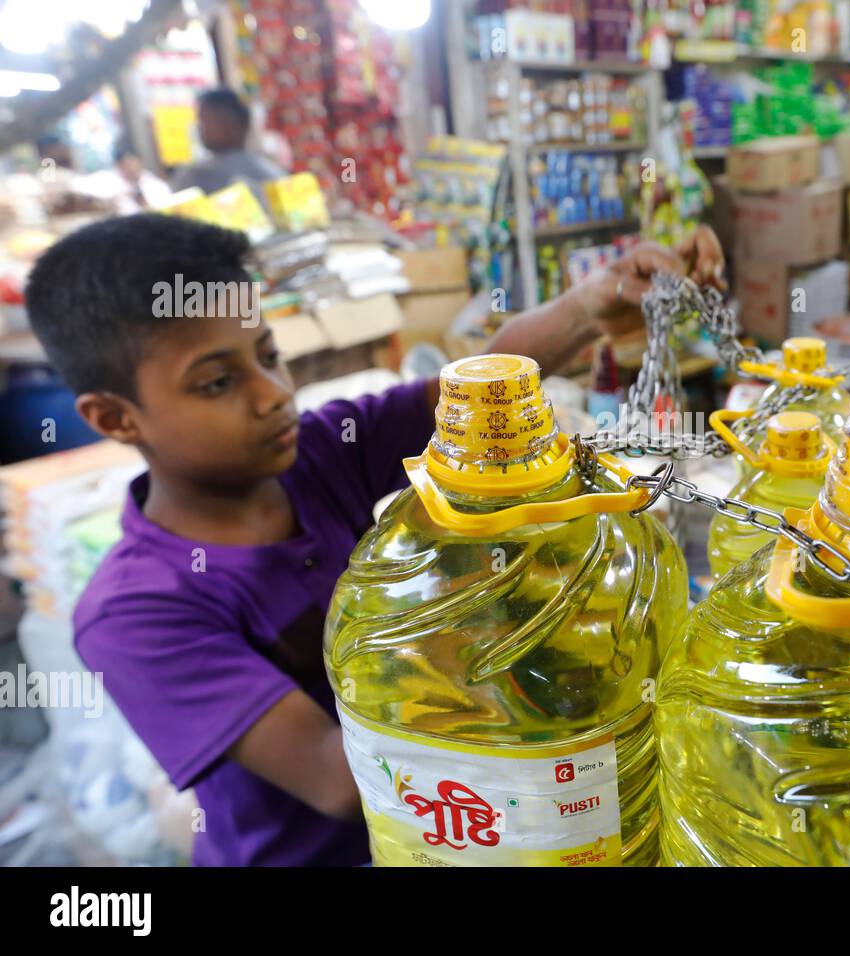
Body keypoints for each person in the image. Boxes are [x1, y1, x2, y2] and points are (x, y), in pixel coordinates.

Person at [23, 213, 724, 866]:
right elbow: (339, 776)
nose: (272, 394)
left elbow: (472, 400)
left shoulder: (320, 453)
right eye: (216, 382)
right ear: (115, 418)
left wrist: (585, 309)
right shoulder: (136, 614)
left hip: (492, 824)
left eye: (269, 354)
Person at [170, 88, 287, 196]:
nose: (200, 128)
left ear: (229, 125)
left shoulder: (195, 178)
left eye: (203, 120)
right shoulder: (274, 173)